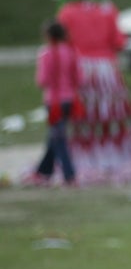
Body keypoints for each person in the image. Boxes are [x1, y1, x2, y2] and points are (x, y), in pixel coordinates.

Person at [55, 0, 131, 182]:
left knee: (84, 115)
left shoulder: (66, 11)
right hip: (106, 69)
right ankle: (113, 155)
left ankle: (85, 156)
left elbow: (62, 42)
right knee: (109, 113)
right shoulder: (107, 8)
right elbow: (117, 41)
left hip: (81, 68)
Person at [30, 20, 78, 186]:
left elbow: (42, 80)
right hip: (69, 98)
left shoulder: (45, 53)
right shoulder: (70, 52)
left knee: (58, 137)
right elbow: (78, 77)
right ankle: (43, 171)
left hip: (53, 100)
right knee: (55, 135)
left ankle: (69, 174)